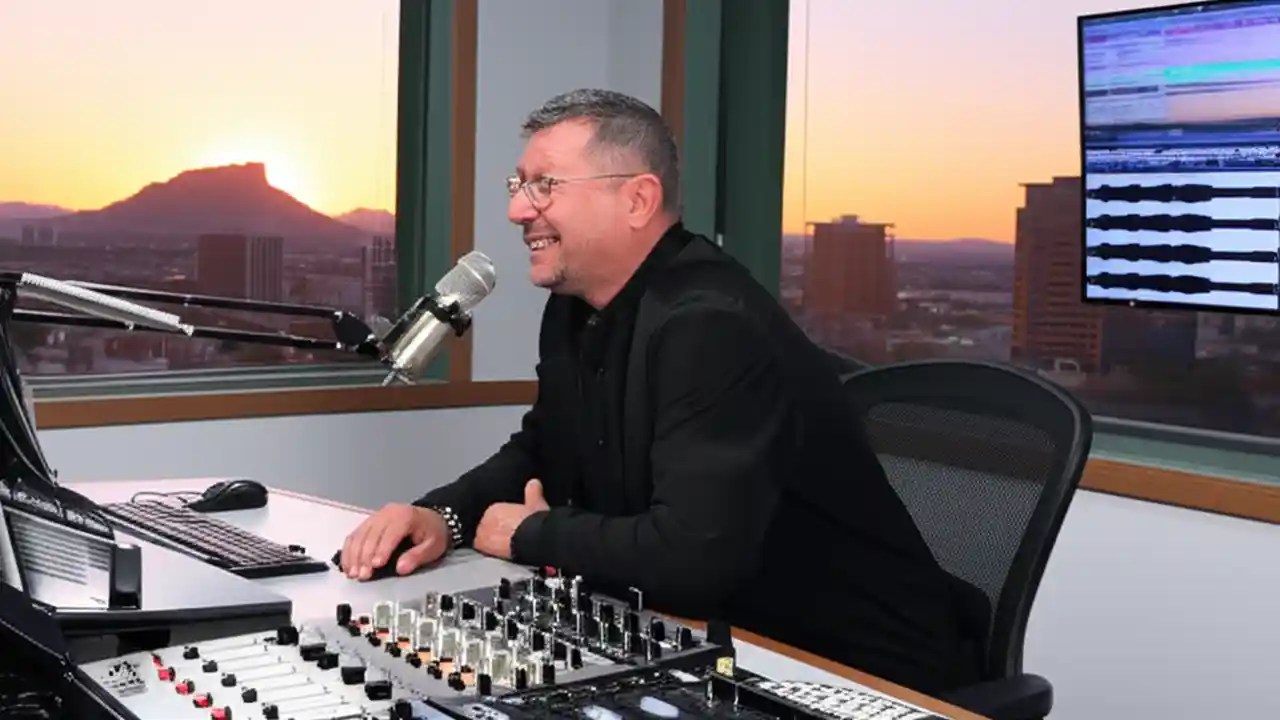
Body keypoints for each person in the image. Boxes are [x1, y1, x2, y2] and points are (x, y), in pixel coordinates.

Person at [338, 89, 978, 695]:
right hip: (723, 644)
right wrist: (442, 517)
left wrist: (534, 535)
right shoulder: (575, 307)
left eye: (545, 185)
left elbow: (695, 557)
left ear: (638, 199)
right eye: (519, 184)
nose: (518, 210)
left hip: (857, 675)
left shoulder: (711, 323)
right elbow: (544, 449)